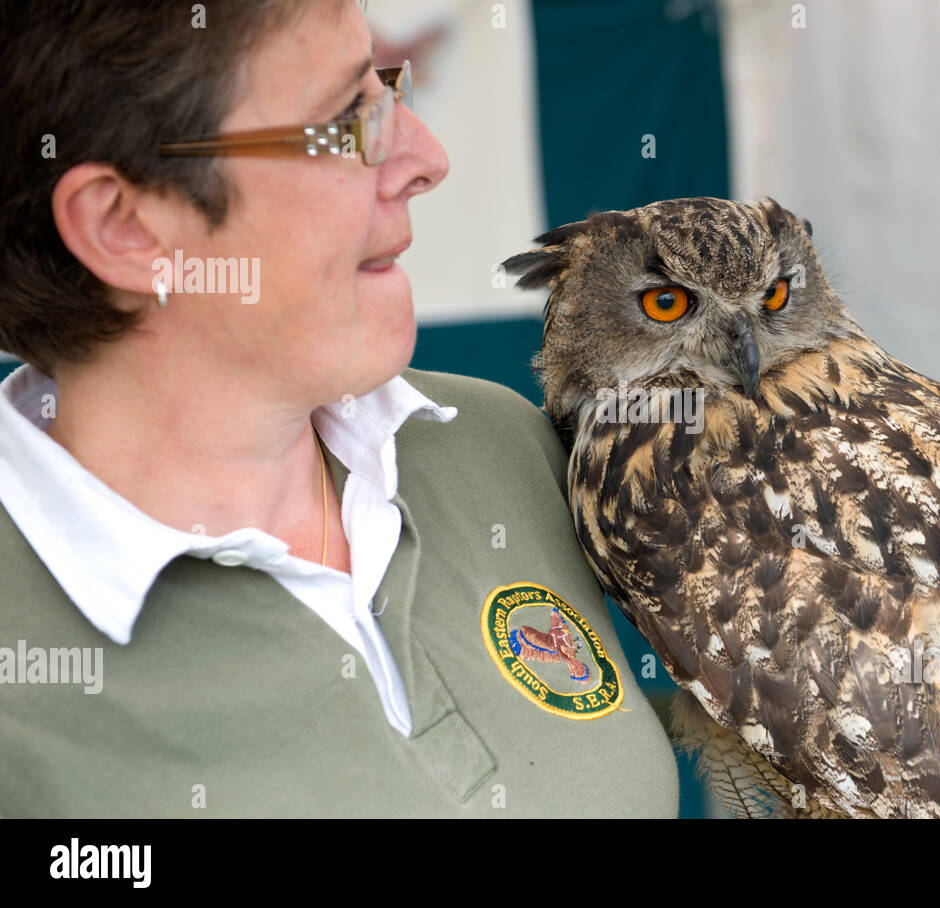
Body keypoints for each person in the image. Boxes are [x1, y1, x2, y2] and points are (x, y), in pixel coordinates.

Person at [0, 0, 679, 817]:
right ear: (125, 225)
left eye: (385, 92)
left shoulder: (500, 444)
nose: (426, 158)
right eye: (344, 120)